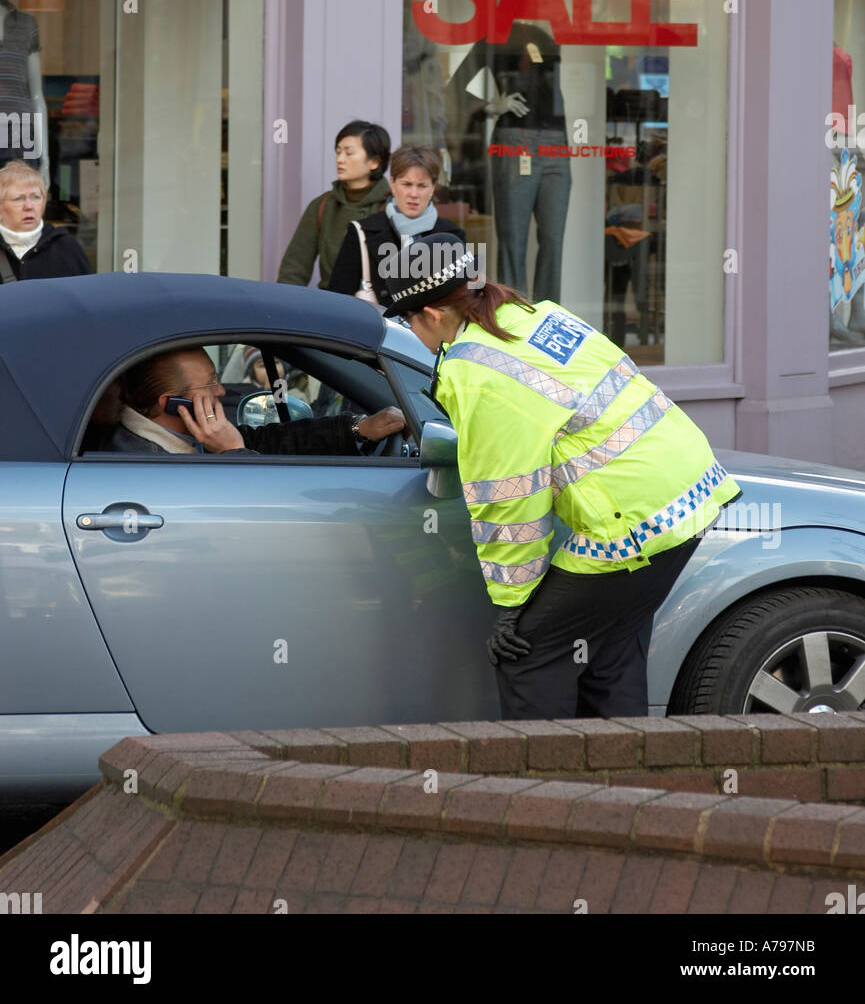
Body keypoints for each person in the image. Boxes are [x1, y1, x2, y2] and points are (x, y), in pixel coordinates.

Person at [381, 232, 742, 721]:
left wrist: (513, 602)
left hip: (629, 520)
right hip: (690, 487)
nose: (409, 330)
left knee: (527, 655)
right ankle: (626, 789)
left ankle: (545, 792)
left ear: (430, 314)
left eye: (405, 319)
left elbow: (509, 495)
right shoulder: (532, 314)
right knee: (610, 654)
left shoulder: (475, 372)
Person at [105, 347, 405, 457]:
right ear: (171, 403)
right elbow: (251, 498)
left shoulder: (182, 439)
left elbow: (273, 440)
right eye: (210, 383)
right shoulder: (146, 458)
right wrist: (232, 452)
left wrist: (359, 428)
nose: (221, 391)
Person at [328, 144, 464, 307]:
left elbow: (461, 300)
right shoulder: (361, 232)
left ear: (433, 188)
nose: (414, 194)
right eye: (406, 184)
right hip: (382, 330)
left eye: (422, 186)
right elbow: (337, 301)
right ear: (392, 184)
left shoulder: (452, 235)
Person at [277, 120, 391, 290]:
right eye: (338, 152)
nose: (340, 160)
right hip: (331, 306)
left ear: (374, 162)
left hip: (377, 310)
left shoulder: (392, 207)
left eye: (349, 153)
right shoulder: (322, 206)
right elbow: (294, 269)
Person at [0, 159, 92, 283]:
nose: (29, 206)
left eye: (35, 197)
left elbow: (86, 298)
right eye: (18, 199)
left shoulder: (66, 247)